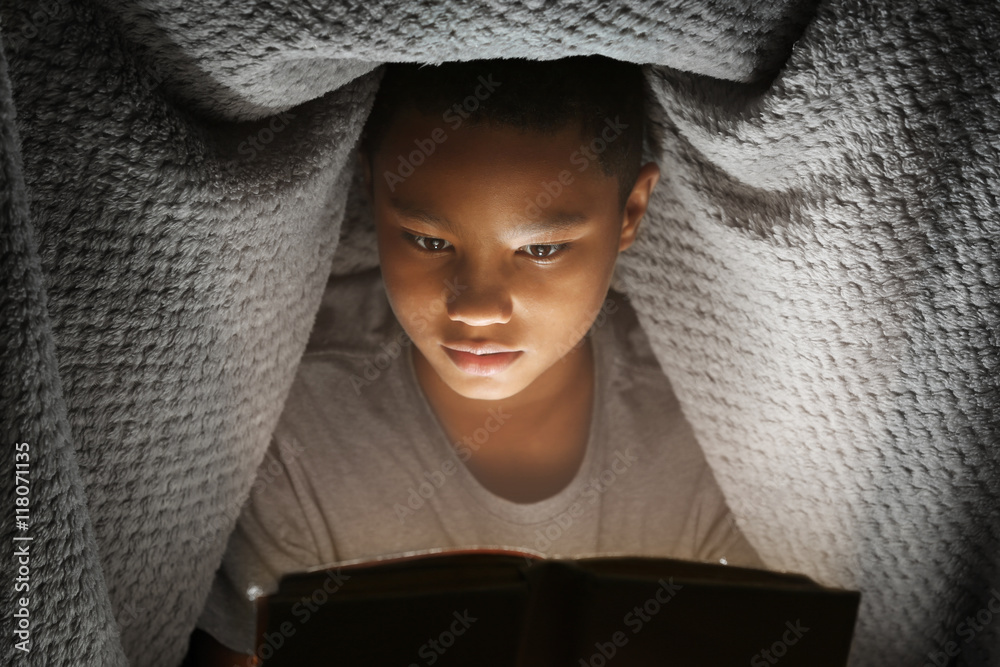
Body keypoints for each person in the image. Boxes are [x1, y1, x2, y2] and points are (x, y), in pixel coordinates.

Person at [190, 55, 764, 666]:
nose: (478, 308)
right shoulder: (291, 413)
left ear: (630, 213)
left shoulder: (703, 424)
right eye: (429, 242)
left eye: (541, 248)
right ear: (372, 187)